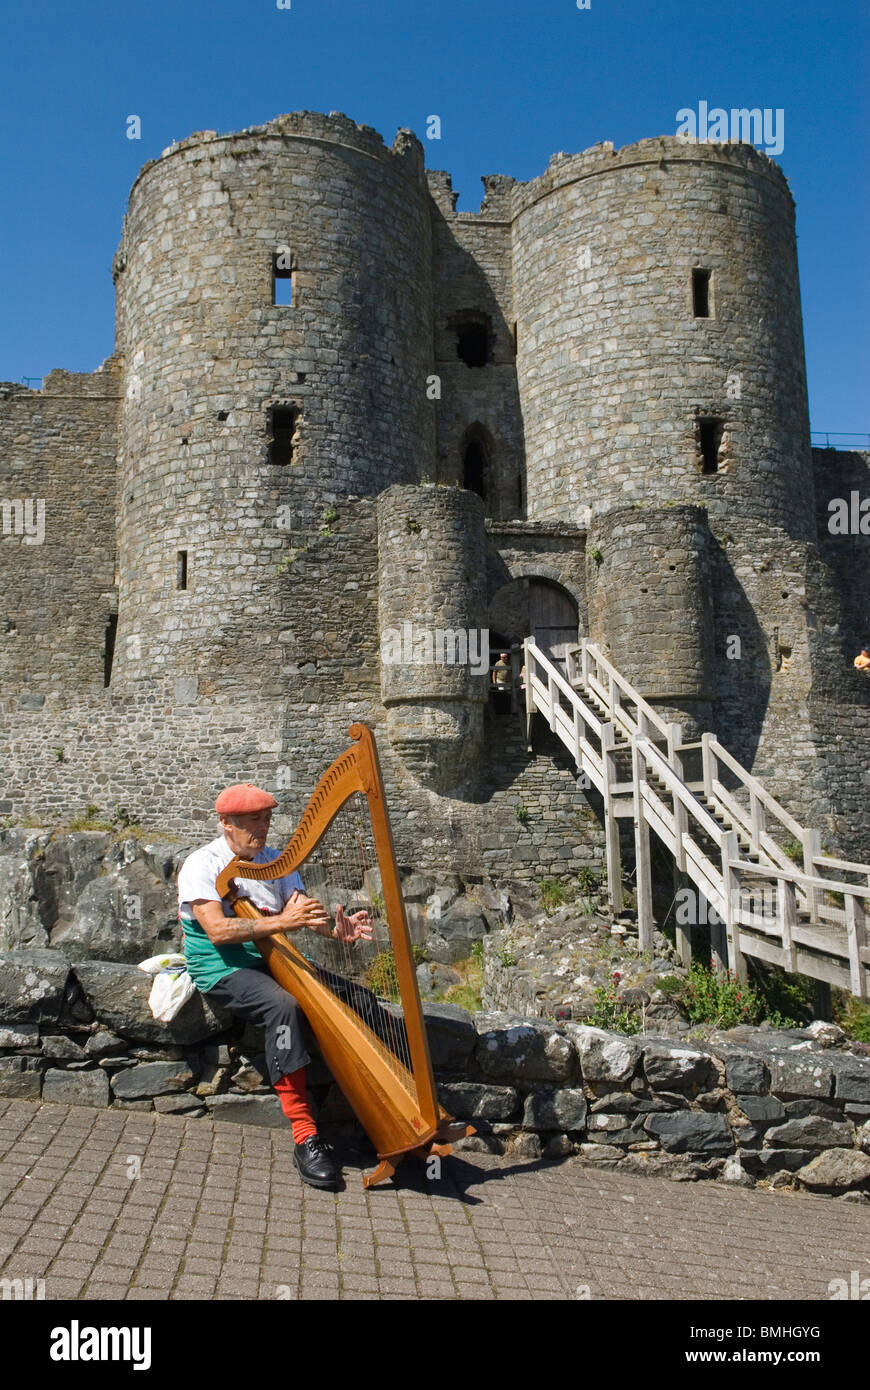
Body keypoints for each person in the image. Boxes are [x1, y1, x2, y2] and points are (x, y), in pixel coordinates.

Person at [177, 782, 373, 1189]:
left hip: (273, 960)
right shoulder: (202, 865)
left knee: (362, 1000)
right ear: (227, 824)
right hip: (221, 968)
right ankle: (305, 1136)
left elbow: (301, 912)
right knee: (283, 1008)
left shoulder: (275, 862)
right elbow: (217, 930)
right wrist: (282, 923)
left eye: (266, 819)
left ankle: (371, 1107)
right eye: (254, 820)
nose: (263, 828)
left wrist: (338, 929)